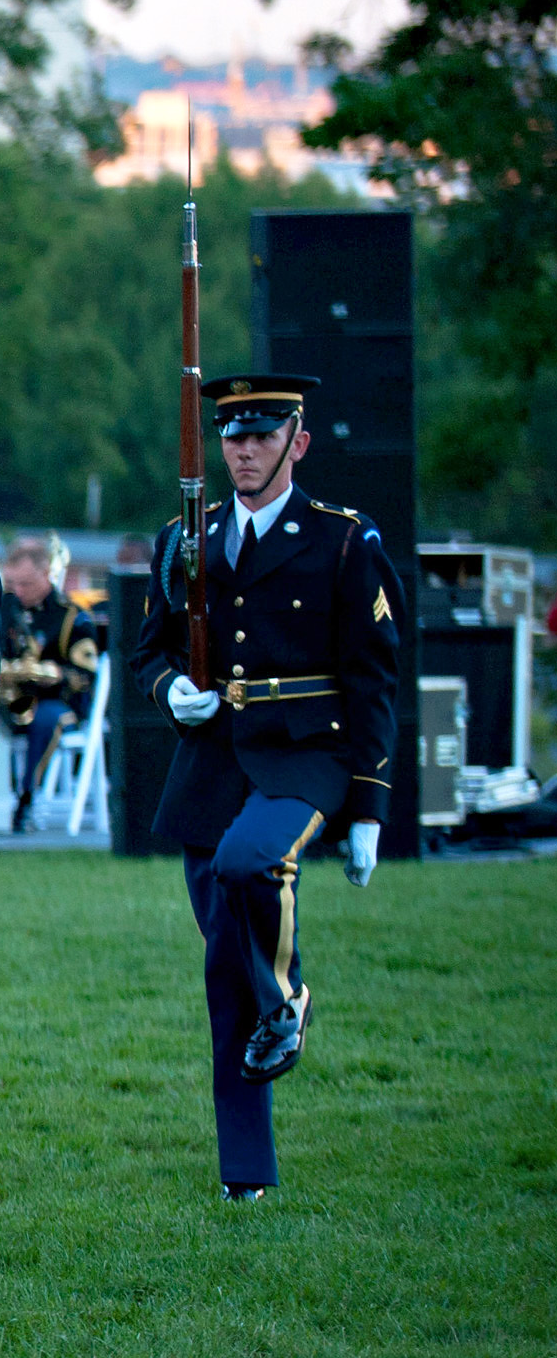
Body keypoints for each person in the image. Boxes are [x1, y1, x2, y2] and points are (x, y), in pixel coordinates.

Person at [134, 374, 395, 1199]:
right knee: (222, 973)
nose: (244, 449)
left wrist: (369, 805)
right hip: (212, 765)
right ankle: (246, 1174)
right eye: (233, 435)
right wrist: (172, 691)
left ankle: (289, 998)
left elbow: (374, 678)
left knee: (249, 865)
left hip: (305, 754)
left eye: (263, 433)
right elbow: (152, 648)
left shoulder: (343, 542)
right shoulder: (188, 538)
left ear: (298, 443)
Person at [0, 534, 96, 827]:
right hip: (10, 699)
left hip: (59, 703)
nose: (17, 591)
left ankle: (25, 799)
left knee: (43, 720)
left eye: (24, 584)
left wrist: (49, 673)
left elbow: (86, 675)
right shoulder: (4, 610)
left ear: (45, 575)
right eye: (12, 583)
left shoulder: (73, 617)